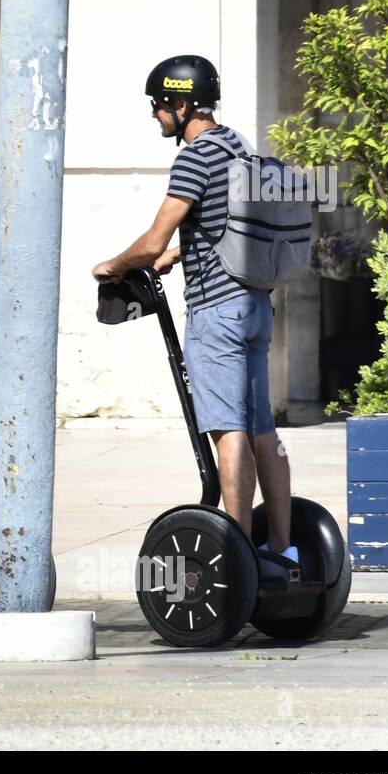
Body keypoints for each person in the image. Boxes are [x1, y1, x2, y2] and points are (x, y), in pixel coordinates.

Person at [90, 54, 296, 573]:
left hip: (215, 311)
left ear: (181, 105)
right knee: (260, 428)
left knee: (227, 431)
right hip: (254, 305)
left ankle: (238, 557)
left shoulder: (194, 157)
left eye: (159, 107)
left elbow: (154, 236)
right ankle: (282, 548)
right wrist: (174, 255)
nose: (156, 117)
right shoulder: (239, 148)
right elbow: (227, 226)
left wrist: (113, 265)